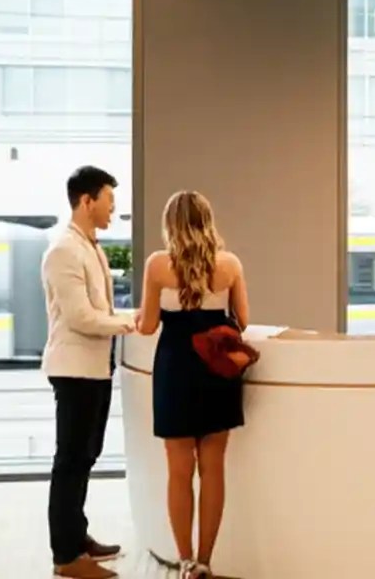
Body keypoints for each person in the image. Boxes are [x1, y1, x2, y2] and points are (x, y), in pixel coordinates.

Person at [134, 191, 250, 579]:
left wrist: (141, 314)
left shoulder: (157, 265)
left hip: (175, 371)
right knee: (213, 468)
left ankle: (184, 562)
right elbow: (244, 320)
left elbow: (148, 326)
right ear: (208, 220)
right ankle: (205, 561)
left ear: (171, 225)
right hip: (216, 371)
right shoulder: (229, 264)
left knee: (179, 471)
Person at [41, 165, 137, 579]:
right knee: (71, 462)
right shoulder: (64, 249)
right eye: (108, 201)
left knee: (85, 457)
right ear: (86, 201)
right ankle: (66, 557)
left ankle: (78, 538)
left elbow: (102, 311)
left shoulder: (90, 247)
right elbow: (81, 317)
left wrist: (126, 317)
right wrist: (129, 323)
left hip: (95, 368)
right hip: (74, 369)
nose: (112, 210)